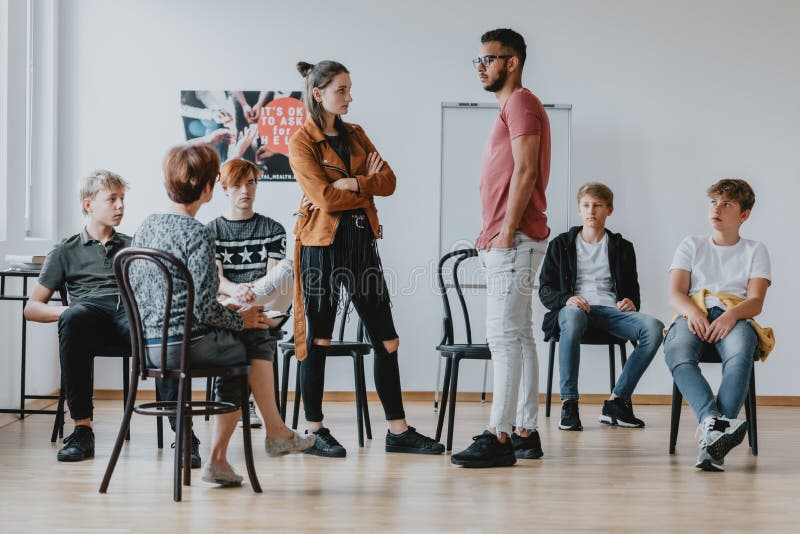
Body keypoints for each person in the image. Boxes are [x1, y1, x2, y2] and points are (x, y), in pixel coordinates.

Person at [130, 145, 313, 487]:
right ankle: (259, 439)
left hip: (148, 346)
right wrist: (240, 319)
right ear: (210, 187)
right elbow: (203, 308)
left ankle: (267, 435)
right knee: (252, 338)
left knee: (249, 334)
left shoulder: (146, 226)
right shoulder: (198, 233)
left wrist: (233, 312)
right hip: (186, 344)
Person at [288, 60, 444, 458]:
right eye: (342, 90)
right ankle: (315, 431)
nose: (350, 97)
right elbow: (323, 198)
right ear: (319, 93)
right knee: (318, 341)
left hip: (360, 243)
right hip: (321, 248)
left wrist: (353, 181)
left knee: (387, 340)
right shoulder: (302, 141)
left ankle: (398, 431)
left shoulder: (356, 134)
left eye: (350, 88)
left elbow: (388, 181)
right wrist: (362, 189)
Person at [451, 28, 551, 468]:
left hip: (516, 239)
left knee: (503, 338)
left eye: (488, 59)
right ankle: (525, 430)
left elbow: (526, 171)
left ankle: (501, 435)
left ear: (511, 62)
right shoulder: (512, 107)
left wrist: (507, 230)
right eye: (477, 60)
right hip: (512, 238)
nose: (481, 67)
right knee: (521, 334)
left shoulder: (521, 102)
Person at [664, 178, 772, 472]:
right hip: (693, 312)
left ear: (744, 215)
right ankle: (715, 423)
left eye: (727, 204)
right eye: (713, 202)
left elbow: (756, 301)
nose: (717, 209)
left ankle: (711, 442)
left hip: (734, 315)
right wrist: (693, 313)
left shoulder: (755, 249)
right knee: (677, 353)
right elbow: (676, 293)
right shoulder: (691, 244)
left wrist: (729, 316)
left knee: (739, 357)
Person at [24, 170, 131, 462]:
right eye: (113, 199)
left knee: (161, 328)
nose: (121, 206)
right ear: (88, 205)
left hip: (128, 315)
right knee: (74, 318)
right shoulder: (64, 251)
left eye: (123, 199)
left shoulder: (134, 246)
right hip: (88, 314)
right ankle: (82, 431)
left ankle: (184, 432)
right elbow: (31, 308)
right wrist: (67, 311)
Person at [538, 182, 664, 431]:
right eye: (586, 205)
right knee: (572, 316)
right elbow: (545, 290)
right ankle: (570, 404)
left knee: (654, 327)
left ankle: (616, 401)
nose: (591, 211)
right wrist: (566, 300)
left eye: (598, 205)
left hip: (612, 312)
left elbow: (632, 292)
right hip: (576, 311)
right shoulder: (561, 244)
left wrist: (630, 302)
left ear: (610, 210)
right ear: (579, 209)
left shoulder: (623, 247)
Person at [207, 158, 290, 431]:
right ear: (225, 188)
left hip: (268, 308)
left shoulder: (273, 229)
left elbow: (275, 277)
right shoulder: (212, 232)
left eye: (251, 182)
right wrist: (235, 290)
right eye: (238, 184)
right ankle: (247, 402)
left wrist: (248, 292)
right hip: (228, 306)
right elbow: (217, 280)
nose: (246, 190)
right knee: (242, 322)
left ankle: (249, 402)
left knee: (289, 270)